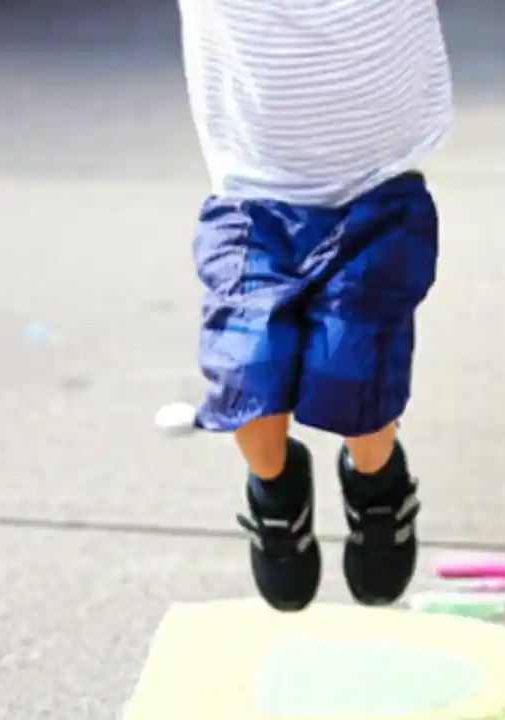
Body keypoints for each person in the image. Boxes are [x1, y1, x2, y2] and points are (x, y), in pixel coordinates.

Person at [177, 0, 453, 611]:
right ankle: (275, 496)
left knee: (352, 365)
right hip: (253, 202)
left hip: (378, 193)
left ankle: (377, 483)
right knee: (246, 369)